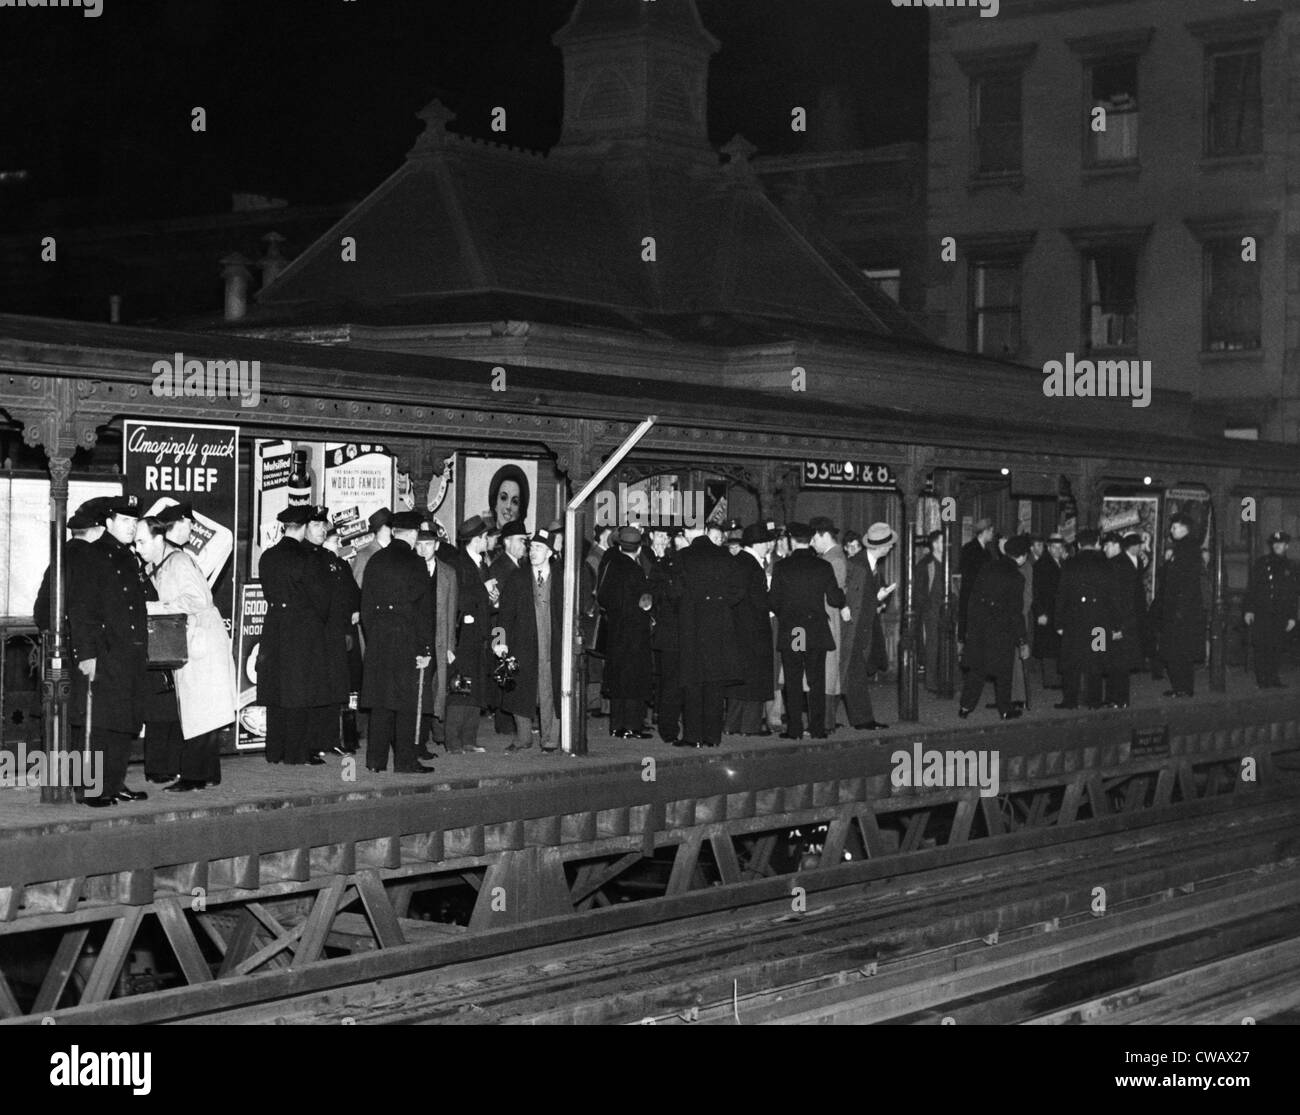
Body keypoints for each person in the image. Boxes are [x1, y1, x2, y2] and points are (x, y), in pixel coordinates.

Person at [135, 516, 236, 791]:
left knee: (201, 712)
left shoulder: (178, 562)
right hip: (195, 641)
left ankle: (194, 777)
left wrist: (155, 607)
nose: (138, 547)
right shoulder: (163, 564)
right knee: (202, 712)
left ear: (159, 539)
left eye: (142, 541)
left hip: (202, 642)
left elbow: (198, 600)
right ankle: (208, 773)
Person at [66, 495, 152, 806]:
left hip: (128, 652)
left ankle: (114, 783)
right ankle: (91, 788)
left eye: (134, 521)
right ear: (109, 522)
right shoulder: (93, 555)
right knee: (100, 725)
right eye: (126, 521)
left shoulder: (127, 557)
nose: (131, 527)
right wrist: (86, 654)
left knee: (123, 723)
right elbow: (82, 609)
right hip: (105, 652)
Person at [357, 511, 435, 774]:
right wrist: (425, 647)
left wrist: (374, 634)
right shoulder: (416, 563)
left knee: (381, 701)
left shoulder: (376, 560)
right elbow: (424, 611)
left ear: (393, 532)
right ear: (413, 534)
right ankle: (405, 761)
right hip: (406, 637)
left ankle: (375, 762)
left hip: (378, 637)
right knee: (406, 703)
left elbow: (365, 605)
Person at [258, 505, 331, 765]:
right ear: (302, 527)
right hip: (302, 630)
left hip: (275, 626)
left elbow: (268, 592)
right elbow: (321, 597)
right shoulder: (306, 557)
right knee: (300, 693)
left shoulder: (267, 556)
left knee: (276, 692)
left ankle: (274, 751)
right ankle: (296, 753)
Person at [770, 522, 846, 740]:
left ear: (793, 541)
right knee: (816, 679)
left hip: (795, 631)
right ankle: (817, 728)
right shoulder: (823, 566)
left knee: (793, 679)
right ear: (811, 540)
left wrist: (786, 612)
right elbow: (834, 598)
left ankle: (794, 729)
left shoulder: (783, 567)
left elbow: (773, 601)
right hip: (815, 629)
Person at [495, 527, 564, 752]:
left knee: (551, 691)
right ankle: (523, 738)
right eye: (531, 547)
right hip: (522, 643)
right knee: (520, 690)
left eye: (539, 548)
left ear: (550, 552)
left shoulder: (562, 578)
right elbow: (503, 614)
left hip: (553, 645)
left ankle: (550, 739)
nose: (533, 552)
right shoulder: (517, 577)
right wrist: (500, 642)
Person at [305, 508, 361, 756]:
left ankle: (332, 738)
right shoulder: (313, 562)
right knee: (319, 689)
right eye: (334, 541)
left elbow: (353, 595)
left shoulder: (340, 565)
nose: (338, 545)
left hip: (340, 634)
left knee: (338, 689)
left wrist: (354, 611)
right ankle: (315, 741)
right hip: (320, 636)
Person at [959, 534, 1030, 720]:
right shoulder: (1017, 578)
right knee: (1003, 673)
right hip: (1002, 628)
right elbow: (1016, 612)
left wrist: (970, 626)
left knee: (977, 669)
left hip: (981, 624)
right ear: (1021, 557)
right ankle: (1005, 709)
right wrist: (1022, 639)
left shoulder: (987, 567)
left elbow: (973, 598)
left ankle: (965, 707)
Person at [597, 525, 655, 739]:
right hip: (635, 633)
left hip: (615, 630)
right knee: (634, 679)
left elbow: (602, 596)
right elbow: (644, 602)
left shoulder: (610, 564)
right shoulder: (636, 571)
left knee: (618, 678)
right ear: (638, 549)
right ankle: (632, 726)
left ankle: (616, 725)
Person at [1054, 529, 1118, 710]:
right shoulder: (1106, 564)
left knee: (1072, 660)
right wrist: (1115, 624)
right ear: (1097, 542)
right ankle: (1094, 700)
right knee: (1096, 660)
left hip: (1075, 620)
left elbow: (1061, 595)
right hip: (1100, 621)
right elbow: (1114, 596)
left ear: (1078, 544)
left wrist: (1058, 622)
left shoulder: (1070, 564)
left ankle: (1070, 700)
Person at [840, 522, 895, 730]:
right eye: (889, 544)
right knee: (853, 674)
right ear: (880, 546)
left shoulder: (869, 566)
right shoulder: (857, 565)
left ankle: (859, 719)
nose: (890, 548)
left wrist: (880, 602)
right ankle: (862, 720)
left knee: (854, 674)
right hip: (853, 630)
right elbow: (852, 598)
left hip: (863, 629)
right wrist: (877, 598)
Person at [446, 515, 493, 754]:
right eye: (485, 537)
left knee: (476, 688)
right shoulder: (459, 565)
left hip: (479, 635)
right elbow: (458, 599)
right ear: (476, 539)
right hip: (463, 635)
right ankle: (453, 741)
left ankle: (469, 738)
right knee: (460, 687)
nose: (488, 541)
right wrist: (482, 592)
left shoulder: (482, 563)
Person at [724, 523, 774, 737]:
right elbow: (758, 599)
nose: (770, 545)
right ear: (759, 544)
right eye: (767, 542)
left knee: (739, 680)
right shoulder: (751, 565)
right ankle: (750, 727)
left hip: (738, 630)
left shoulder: (738, 561)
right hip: (754, 631)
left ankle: (732, 725)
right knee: (755, 679)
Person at [415, 526, 459, 753]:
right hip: (416, 640)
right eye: (419, 545)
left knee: (437, 687)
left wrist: (450, 645)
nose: (423, 549)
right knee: (419, 690)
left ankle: (438, 733)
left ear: (437, 546)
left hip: (439, 638)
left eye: (428, 545)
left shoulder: (448, 573)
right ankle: (419, 740)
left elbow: (452, 611)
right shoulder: (410, 570)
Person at [1158, 514, 1206, 698]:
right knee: (1177, 651)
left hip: (1181, 609)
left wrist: (1180, 608)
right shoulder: (1183, 548)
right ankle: (1180, 687)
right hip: (1178, 608)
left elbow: (1186, 582)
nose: (1171, 530)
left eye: (1175, 527)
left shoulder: (1187, 549)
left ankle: (1183, 687)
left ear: (1185, 528)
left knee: (1180, 651)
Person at [1243, 530, 1298, 689]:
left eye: (1280, 544)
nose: (1277, 546)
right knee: (1262, 646)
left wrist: (1292, 617)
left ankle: (1274, 677)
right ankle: (1263, 679)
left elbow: (1293, 593)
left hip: (1281, 613)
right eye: (1275, 543)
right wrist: (1249, 610)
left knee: (1276, 646)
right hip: (1263, 612)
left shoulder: (1291, 566)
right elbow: (1252, 588)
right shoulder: (1263, 563)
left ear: (1286, 546)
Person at [647, 527, 685, 744]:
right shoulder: (667, 567)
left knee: (670, 682)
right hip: (672, 633)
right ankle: (668, 726)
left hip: (669, 633)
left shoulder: (665, 566)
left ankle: (668, 724)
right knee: (671, 682)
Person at [810, 517, 847, 731]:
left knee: (826, 672)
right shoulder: (832, 558)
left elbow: (831, 596)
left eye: (814, 538)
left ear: (824, 535)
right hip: (827, 622)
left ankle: (825, 722)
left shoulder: (833, 561)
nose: (812, 543)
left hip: (827, 623)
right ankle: (825, 721)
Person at [1104, 531, 1142, 709]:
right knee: (1119, 661)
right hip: (1126, 621)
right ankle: (1118, 698)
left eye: (1107, 545)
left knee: (1116, 661)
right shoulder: (1126, 564)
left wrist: (1116, 626)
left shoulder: (1114, 565)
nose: (1105, 549)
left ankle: (1117, 698)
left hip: (1117, 622)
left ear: (1116, 546)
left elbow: (1116, 598)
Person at [1032, 534, 1065, 689]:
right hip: (1047, 610)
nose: (1058, 550)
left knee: (1055, 644)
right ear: (1049, 548)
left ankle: (1056, 678)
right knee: (1048, 645)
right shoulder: (1042, 565)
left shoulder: (1062, 564)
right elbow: (1036, 591)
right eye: (1055, 548)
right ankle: (1051, 680)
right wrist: (1040, 612)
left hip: (1057, 610)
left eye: (1060, 548)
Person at [914, 529, 945, 694]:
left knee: (946, 645)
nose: (945, 544)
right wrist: (926, 608)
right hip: (932, 611)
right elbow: (919, 591)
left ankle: (945, 679)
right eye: (942, 541)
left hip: (945, 611)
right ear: (935, 544)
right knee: (932, 646)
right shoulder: (926, 564)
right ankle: (932, 682)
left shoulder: (946, 562)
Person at [958, 518, 995, 645]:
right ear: (984, 531)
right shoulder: (969, 549)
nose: (992, 534)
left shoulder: (988, 553)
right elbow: (969, 576)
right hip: (972, 598)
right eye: (991, 531)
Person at [351, 507, 393, 589]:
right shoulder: (363, 557)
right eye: (391, 525)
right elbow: (357, 590)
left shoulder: (395, 552)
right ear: (383, 528)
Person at [488, 464, 530, 529]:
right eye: (503, 498)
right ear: (495, 504)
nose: (508, 506)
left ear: (520, 511)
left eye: (515, 502)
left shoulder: (526, 539)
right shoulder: (482, 538)